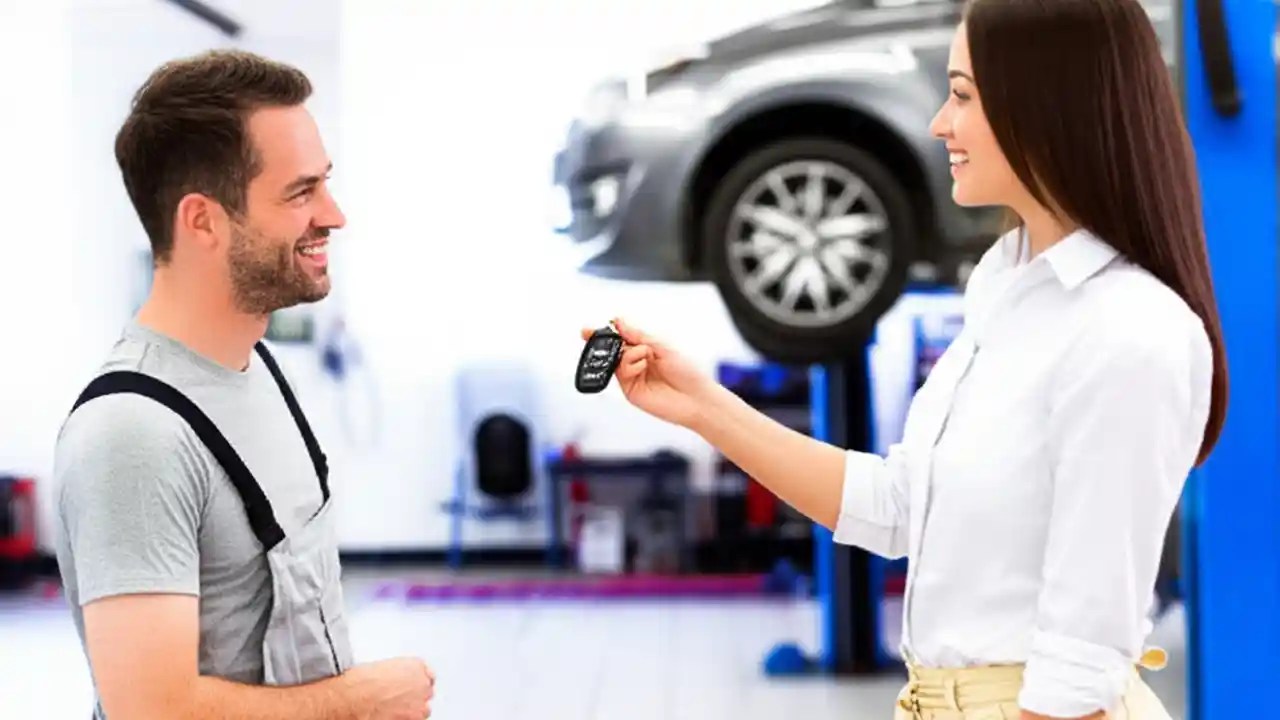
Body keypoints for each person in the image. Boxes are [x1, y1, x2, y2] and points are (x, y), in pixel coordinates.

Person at [589, 1, 1223, 718]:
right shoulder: (1006, 290)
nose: (938, 124)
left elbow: (1081, 659)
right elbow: (901, 509)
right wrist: (703, 406)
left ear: (1046, 105)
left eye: (960, 96)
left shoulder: (1130, 331)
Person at [53, 50, 435, 719]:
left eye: (325, 183)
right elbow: (152, 710)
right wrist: (363, 700)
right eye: (300, 192)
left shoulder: (256, 367)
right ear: (201, 220)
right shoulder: (133, 436)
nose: (334, 215)